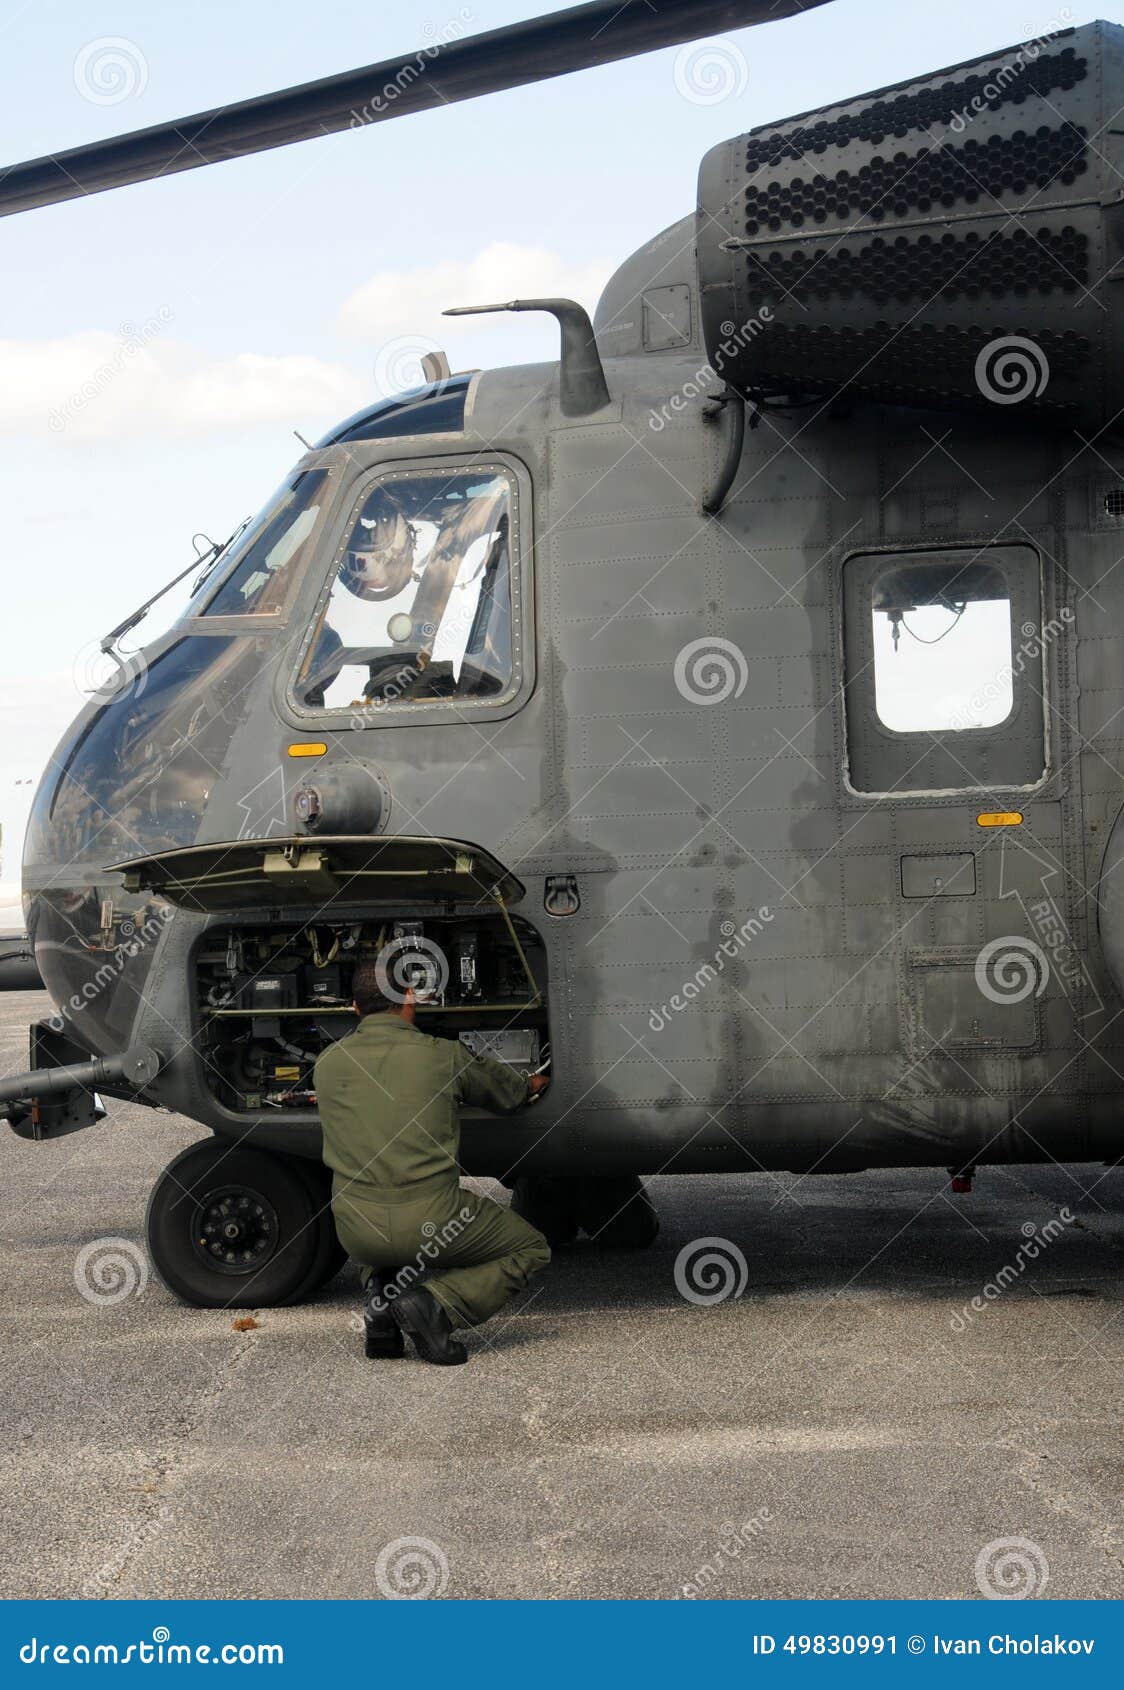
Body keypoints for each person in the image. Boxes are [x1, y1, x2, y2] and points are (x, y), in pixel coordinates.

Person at [314, 960, 551, 1366]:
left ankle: (380, 1307)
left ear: (355, 1008)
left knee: (376, 1187)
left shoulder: (327, 1064)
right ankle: (435, 1305)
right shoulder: (443, 1056)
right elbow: (509, 1096)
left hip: (356, 1234)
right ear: (409, 998)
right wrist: (533, 1082)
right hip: (431, 1226)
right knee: (532, 1248)